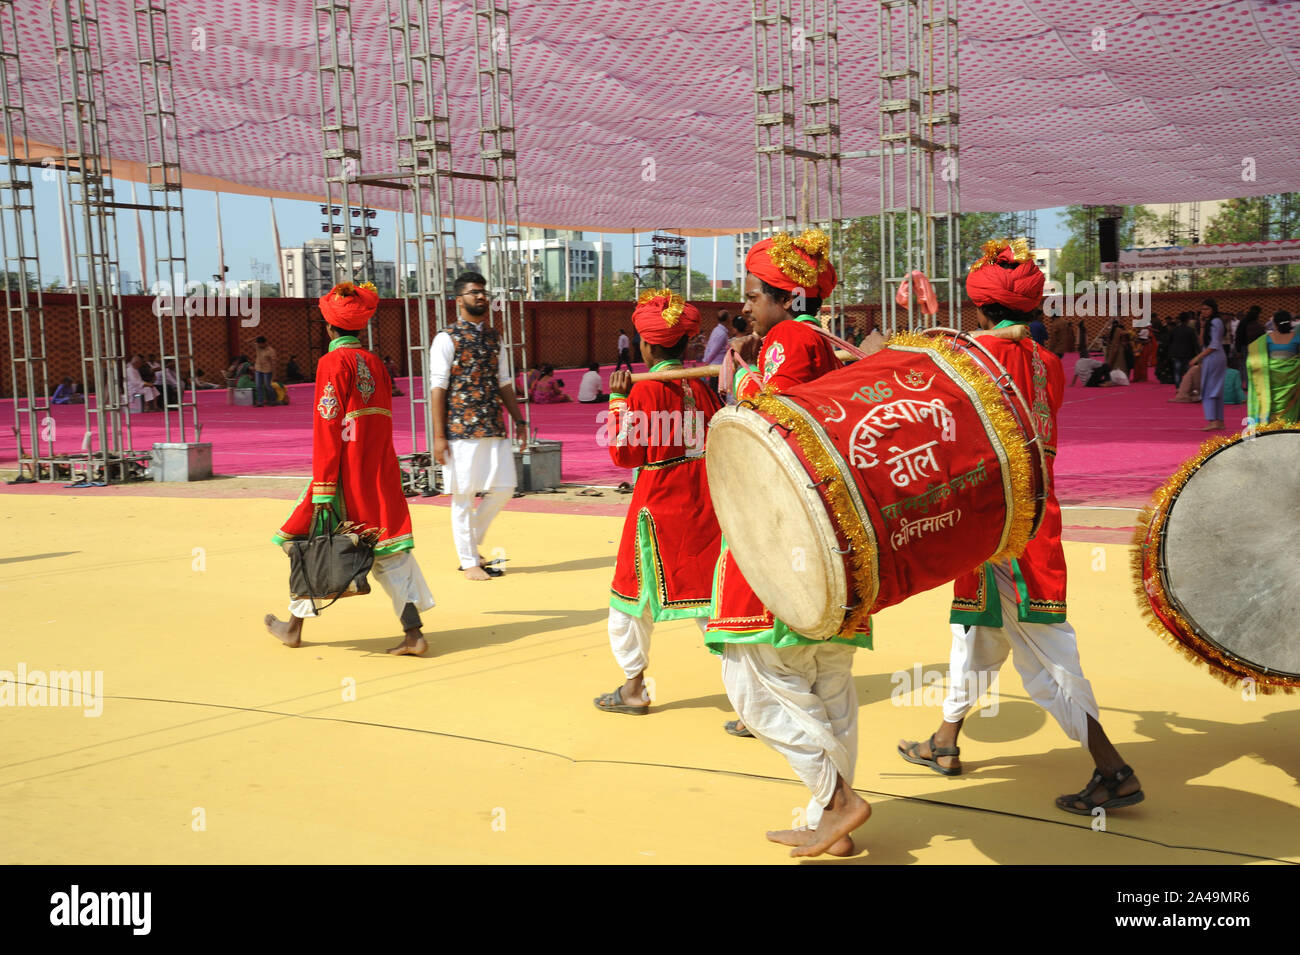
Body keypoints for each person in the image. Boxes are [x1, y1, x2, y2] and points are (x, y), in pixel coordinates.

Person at [898, 237, 1144, 818]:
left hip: (1001, 528)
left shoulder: (972, 359)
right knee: (975, 636)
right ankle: (945, 741)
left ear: (983, 312)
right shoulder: (1047, 363)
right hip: (1025, 518)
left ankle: (1113, 770)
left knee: (1046, 654)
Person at [705, 229, 872, 858]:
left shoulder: (789, 341)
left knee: (752, 678)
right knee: (829, 684)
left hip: (783, 531)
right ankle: (831, 822)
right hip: (834, 536)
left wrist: (741, 376)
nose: (745, 307)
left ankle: (836, 803)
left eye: (753, 296)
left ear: (784, 296)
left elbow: (778, 424)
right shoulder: (822, 339)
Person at [265, 281, 434, 656]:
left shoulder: (331, 363)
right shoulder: (375, 362)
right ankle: (413, 634)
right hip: (380, 470)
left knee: (308, 542)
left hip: (343, 473)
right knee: (391, 551)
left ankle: (294, 628)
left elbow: (328, 426)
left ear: (329, 328)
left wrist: (324, 484)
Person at [593, 290, 724, 715]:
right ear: (686, 345)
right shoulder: (701, 387)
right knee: (710, 600)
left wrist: (616, 401)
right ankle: (756, 691)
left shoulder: (645, 392)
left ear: (646, 346)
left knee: (630, 595)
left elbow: (624, 454)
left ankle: (634, 686)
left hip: (658, 503)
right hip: (702, 502)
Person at [430, 272, 528, 581]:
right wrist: (438, 436)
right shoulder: (445, 338)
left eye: (484, 291)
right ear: (459, 300)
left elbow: (504, 382)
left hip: (492, 424)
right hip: (459, 430)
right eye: (474, 292)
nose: (481, 296)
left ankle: (470, 539)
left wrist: (519, 420)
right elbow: (438, 388)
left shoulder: (494, 338)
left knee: (505, 488)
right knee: (463, 495)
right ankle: (469, 560)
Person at [1245, 309, 1300, 423]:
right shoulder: (1297, 338)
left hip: (1270, 379)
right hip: (1293, 380)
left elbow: (1253, 357)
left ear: (1274, 324)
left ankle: (1271, 427)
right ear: (1290, 322)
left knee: (1267, 400)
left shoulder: (1266, 339)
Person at [1188, 298, 1227, 430]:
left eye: (1207, 309)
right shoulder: (1209, 322)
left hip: (1214, 357)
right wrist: (1202, 326)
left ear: (1213, 309)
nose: (1204, 311)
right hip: (1210, 356)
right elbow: (1201, 343)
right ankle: (1219, 421)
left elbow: (1214, 345)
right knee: (1214, 388)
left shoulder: (1216, 322)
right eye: (1202, 309)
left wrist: (1197, 358)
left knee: (1210, 388)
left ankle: (1213, 420)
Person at [1167, 311, 1199, 389]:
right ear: (1188, 320)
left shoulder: (1174, 330)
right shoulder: (1190, 330)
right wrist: (1197, 354)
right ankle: (1187, 387)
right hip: (1188, 354)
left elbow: (1169, 341)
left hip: (1176, 353)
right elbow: (1195, 343)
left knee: (1177, 372)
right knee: (1188, 372)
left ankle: (1178, 387)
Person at [245, 335, 277, 408]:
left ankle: (273, 400)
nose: (259, 345)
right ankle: (260, 402)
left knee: (267, 386)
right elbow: (247, 341)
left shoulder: (271, 351)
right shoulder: (257, 346)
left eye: (261, 344)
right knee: (258, 386)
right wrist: (255, 337)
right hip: (258, 368)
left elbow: (274, 363)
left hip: (267, 370)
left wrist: (274, 374)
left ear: (265, 343)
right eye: (258, 344)